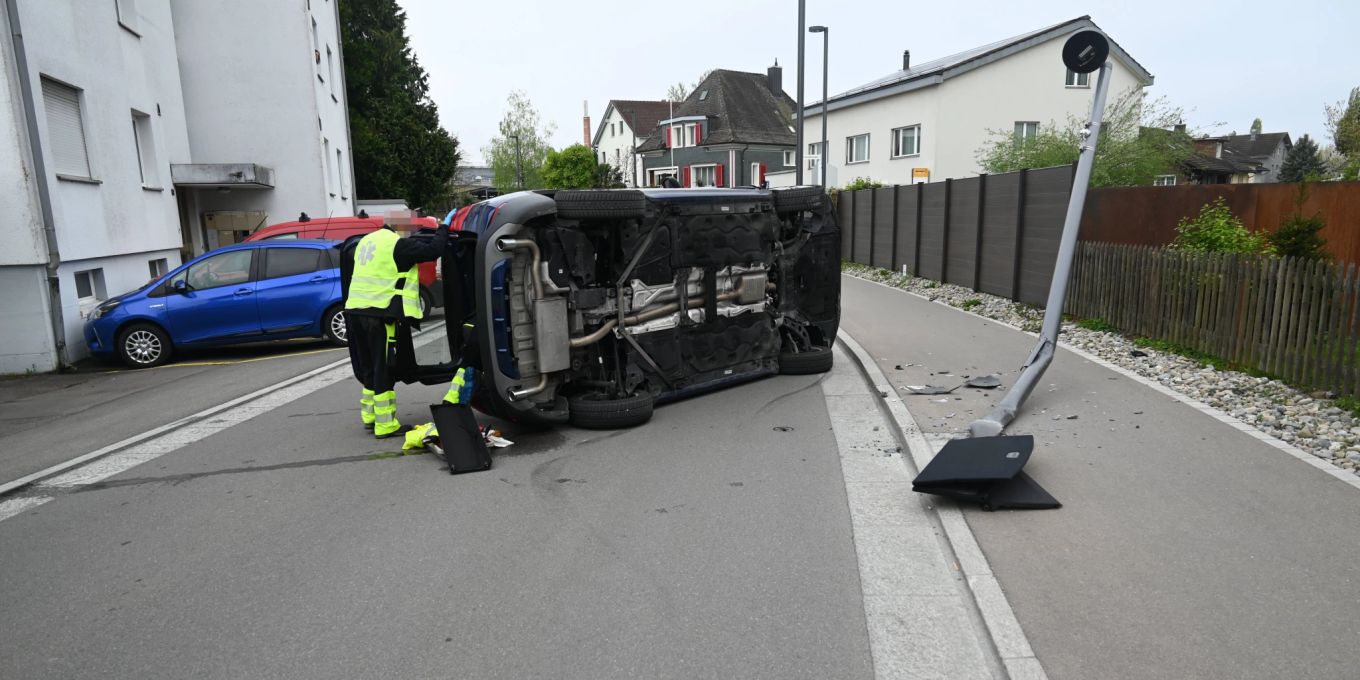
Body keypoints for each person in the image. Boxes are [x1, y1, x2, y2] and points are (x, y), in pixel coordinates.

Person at [345, 211, 448, 438]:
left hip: (355, 310)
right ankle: (385, 424)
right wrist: (443, 228)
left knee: (370, 365)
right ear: (401, 228)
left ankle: (370, 416)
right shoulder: (398, 245)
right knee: (384, 367)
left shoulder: (366, 241)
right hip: (379, 314)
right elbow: (434, 251)